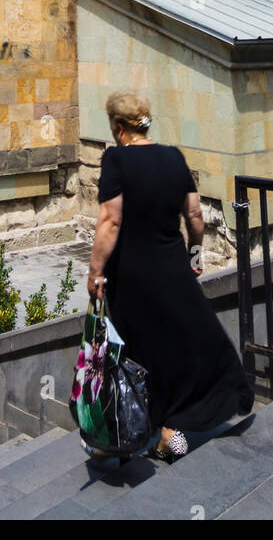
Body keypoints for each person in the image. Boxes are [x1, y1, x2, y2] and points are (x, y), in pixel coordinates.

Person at [87, 90, 254, 463]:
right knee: (179, 342)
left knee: (131, 353)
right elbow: (194, 215)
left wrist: (96, 272)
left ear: (118, 127)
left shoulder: (116, 159)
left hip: (132, 277)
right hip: (173, 270)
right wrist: (195, 256)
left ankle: (120, 435)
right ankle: (172, 430)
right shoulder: (173, 157)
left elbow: (111, 219)